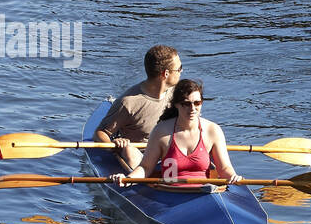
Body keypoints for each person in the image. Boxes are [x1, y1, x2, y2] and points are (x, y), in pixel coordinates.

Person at [111, 79, 242, 189]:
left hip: (203, 192)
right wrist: (127, 179)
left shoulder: (213, 130)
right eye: (186, 104)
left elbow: (224, 168)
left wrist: (233, 177)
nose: (192, 109)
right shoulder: (161, 131)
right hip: (169, 192)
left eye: (197, 103)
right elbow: (145, 168)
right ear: (177, 105)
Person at [94, 45, 183, 169]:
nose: (181, 72)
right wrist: (113, 145)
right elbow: (100, 133)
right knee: (129, 152)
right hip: (140, 158)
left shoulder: (177, 94)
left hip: (168, 151)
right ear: (165, 74)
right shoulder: (128, 103)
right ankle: (142, 181)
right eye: (179, 69)